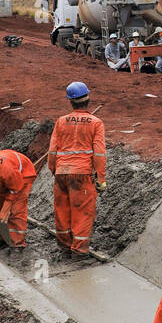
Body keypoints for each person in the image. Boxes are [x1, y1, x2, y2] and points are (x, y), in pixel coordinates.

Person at [47, 82, 106, 258]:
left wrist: (54, 171)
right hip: (82, 174)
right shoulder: (96, 123)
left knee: (62, 210)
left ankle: (65, 247)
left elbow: (52, 151)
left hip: (61, 172)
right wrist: (101, 179)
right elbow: (100, 153)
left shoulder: (61, 121)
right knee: (82, 212)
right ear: (88, 100)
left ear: (70, 102)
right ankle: (79, 251)